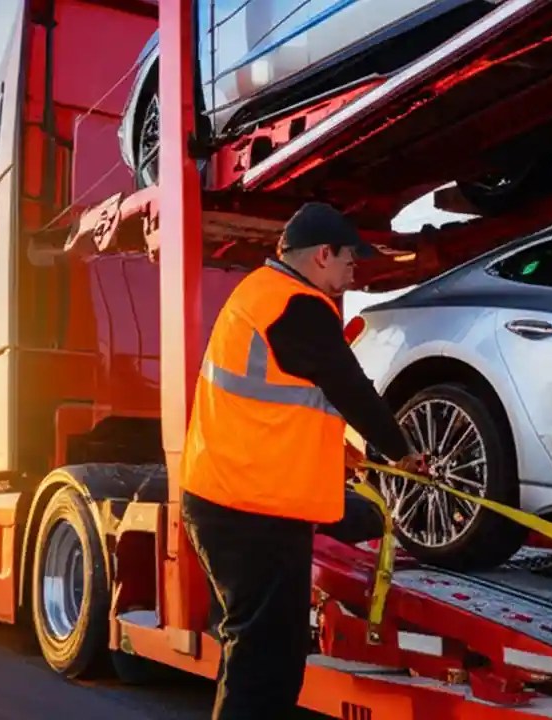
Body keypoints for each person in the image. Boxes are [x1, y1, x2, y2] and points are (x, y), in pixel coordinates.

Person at [179, 201, 424, 720]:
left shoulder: (261, 293)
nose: (353, 269)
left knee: (250, 651)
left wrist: (348, 458)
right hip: (253, 514)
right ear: (321, 255)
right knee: (269, 663)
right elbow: (352, 389)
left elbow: (289, 406)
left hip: (231, 500)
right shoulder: (299, 307)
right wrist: (401, 452)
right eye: (349, 259)